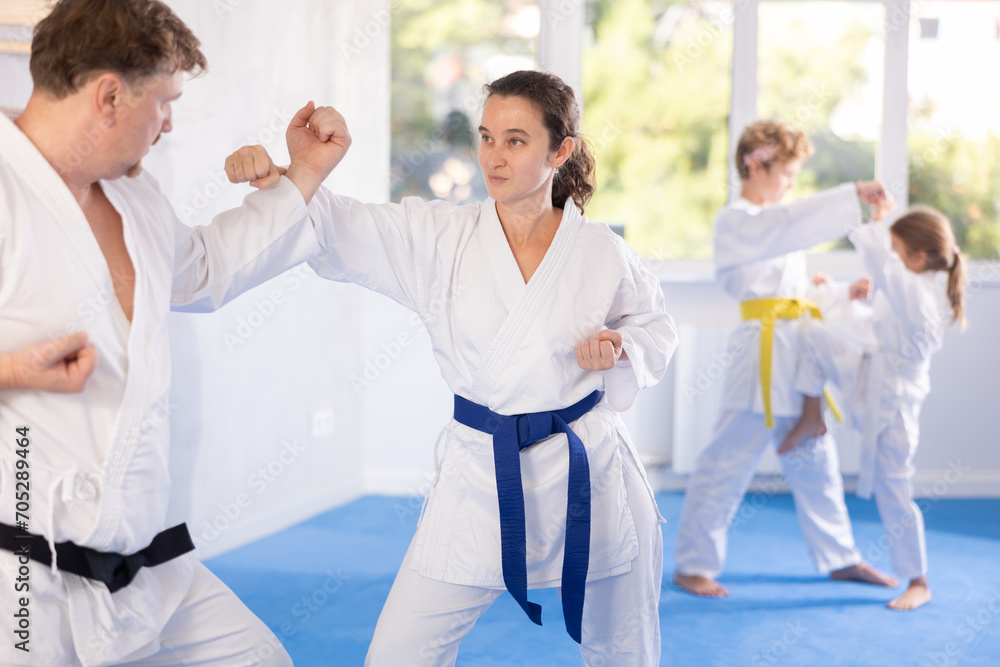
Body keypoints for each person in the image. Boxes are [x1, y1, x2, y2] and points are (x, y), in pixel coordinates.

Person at [232, 69, 677, 666]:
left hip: (589, 474)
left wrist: (619, 348)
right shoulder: (439, 236)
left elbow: (654, 326)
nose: (493, 157)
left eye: (516, 140)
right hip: (480, 473)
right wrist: (288, 177)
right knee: (398, 653)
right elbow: (335, 225)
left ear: (560, 149)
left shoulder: (601, 251)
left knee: (625, 650)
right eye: (486, 136)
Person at [0, 0, 345, 664]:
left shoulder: (133, 195)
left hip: (145, 561)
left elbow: (205, 267)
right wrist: (13, 371)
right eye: (163, 102)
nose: (168, 124)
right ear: (108, 97)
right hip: (25, 577)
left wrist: (304, 175)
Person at [673, 119, 898, 597]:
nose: (792, 183)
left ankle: (840, 556)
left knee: (814, 454)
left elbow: (794, 292)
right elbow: (785, 230)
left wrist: (839, 292)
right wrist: (852, 192)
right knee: (726, 461)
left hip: (797, 352)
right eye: (787, 173)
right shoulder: (738, 220)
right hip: (760, 354)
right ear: (755, 163)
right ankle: (693, 564)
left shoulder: (775, 228)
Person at [780, 206, 966, 611]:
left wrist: (877, 222)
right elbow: (879, 328)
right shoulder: (911, 283)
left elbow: (885, 267)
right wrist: (843, 295)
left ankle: (919, 580)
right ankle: (813, 418)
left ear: (916, 258)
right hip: (873, 370)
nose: (891, 256)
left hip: (895, 401)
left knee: (893, 486)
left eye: (898, 249)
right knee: (813, 336)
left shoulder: (917, 290)